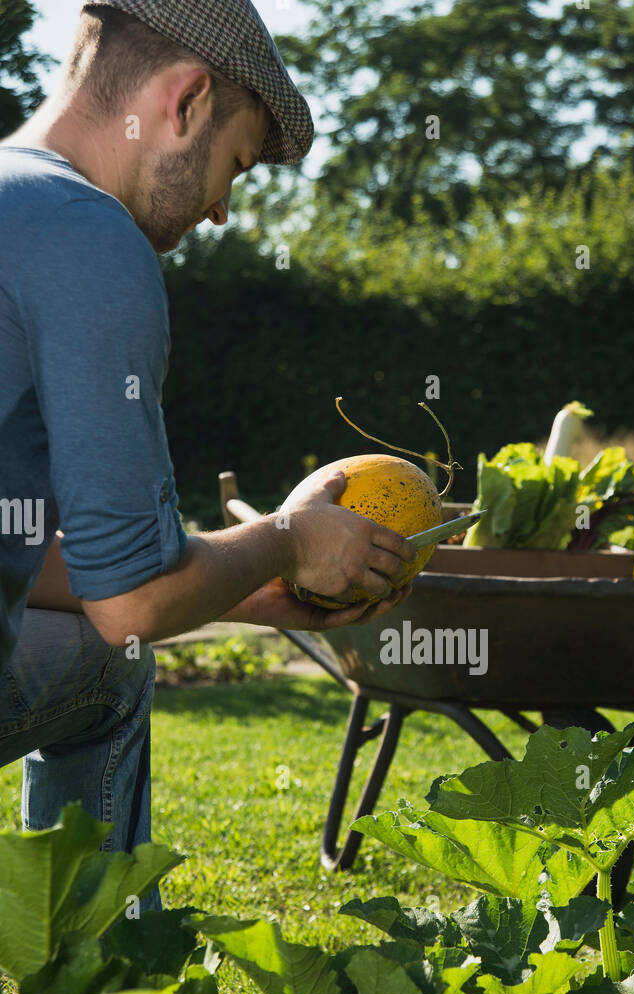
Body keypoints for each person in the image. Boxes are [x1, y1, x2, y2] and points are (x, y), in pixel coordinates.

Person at [0, 0, 414, 910]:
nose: (223, 211)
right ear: (184, 102)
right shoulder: (84, 232)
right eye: (234, 165)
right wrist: (287, 540)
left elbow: (22, 555)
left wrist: (238, 584)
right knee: (116, 663)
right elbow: (132, 602)